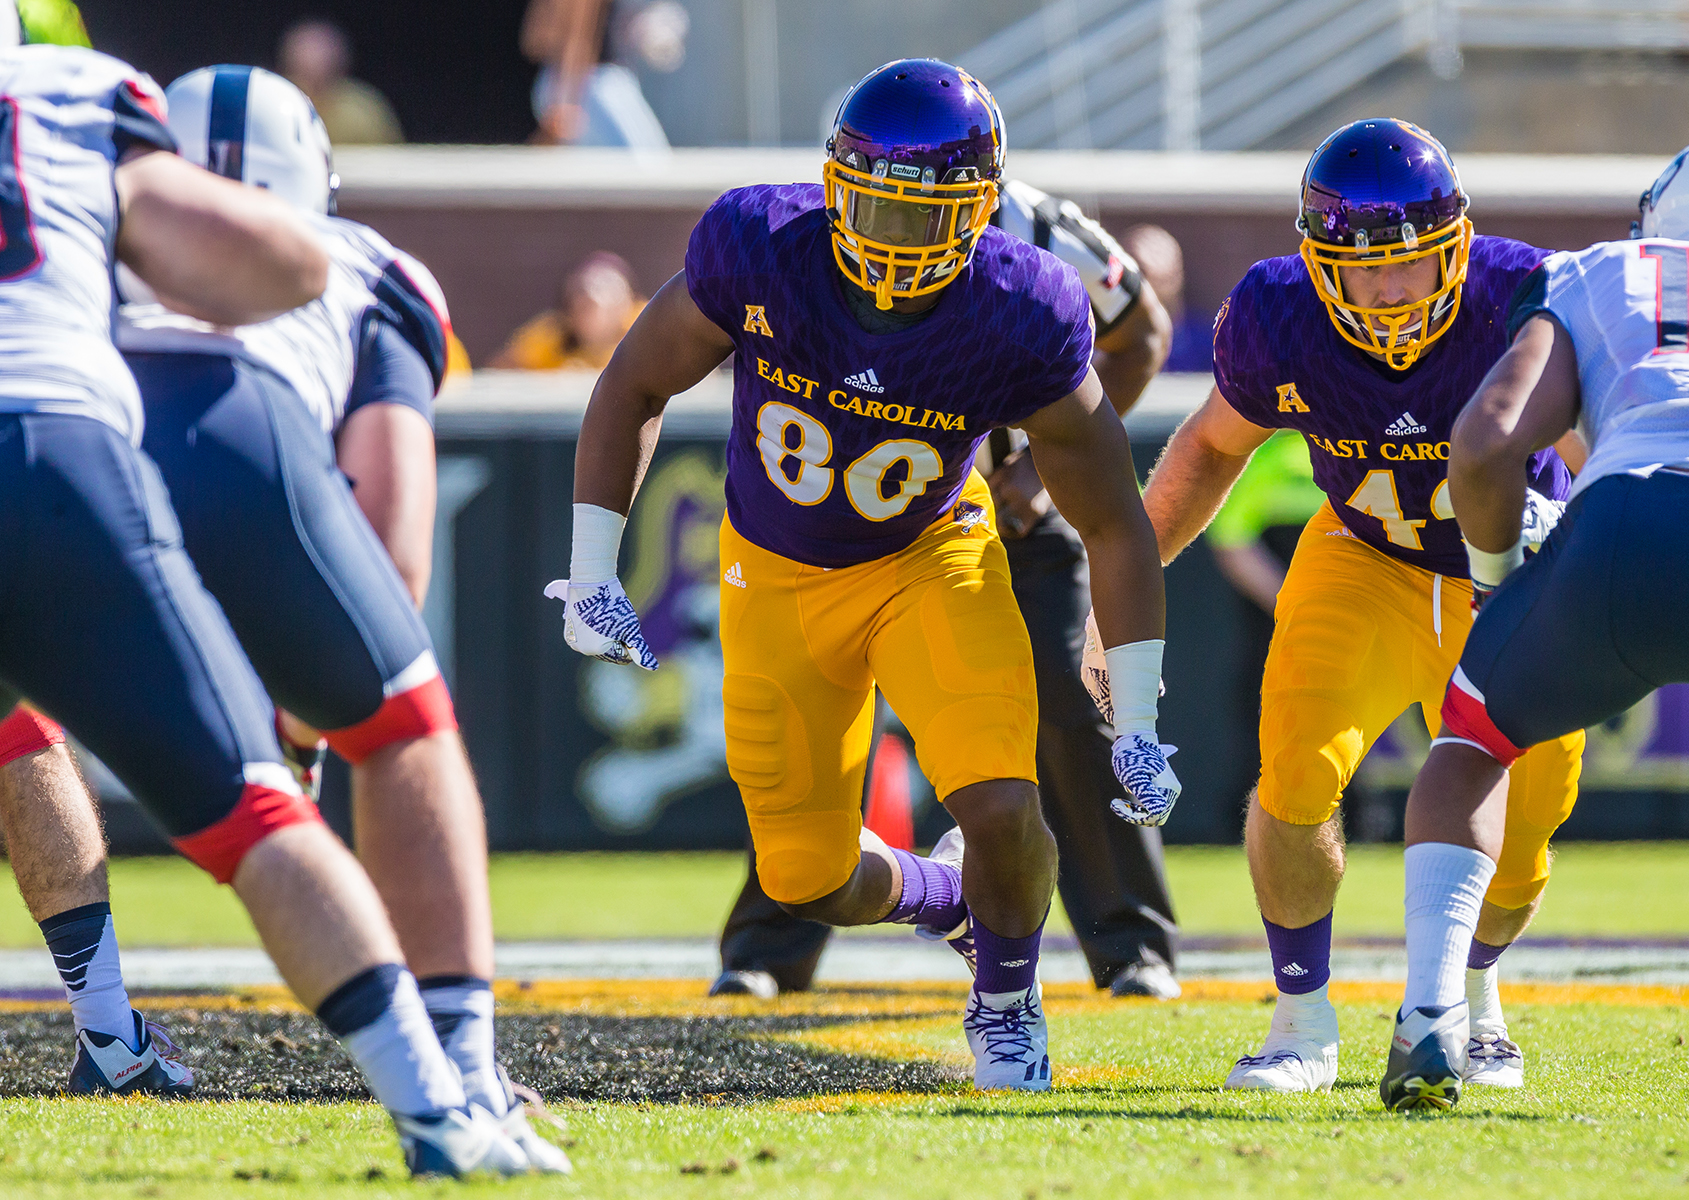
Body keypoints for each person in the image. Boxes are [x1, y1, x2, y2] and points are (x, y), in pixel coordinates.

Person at [549, 58, 1180, 1090]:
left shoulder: (1024, 304)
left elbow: (1113, 523)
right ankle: (946, 901)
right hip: (776, 577)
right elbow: (632, 383)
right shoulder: (762, 245)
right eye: (876, 212)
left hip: (932, 558)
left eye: (925, 219)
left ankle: (1009, 1003)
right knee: (807, 877)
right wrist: (589, 567)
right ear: (835, 186)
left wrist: (1139, 713)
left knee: (1007, 811)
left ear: (982, 214)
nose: (895, 245)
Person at [0, 29, 524, 1177]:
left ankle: (109, 1029)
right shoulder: (79, 102)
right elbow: (393, 548)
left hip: (100, 424)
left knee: (20, 731)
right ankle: (452, 1092)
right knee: (354, 750)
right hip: (83, 449)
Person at [1133, 119, 1586, 1094]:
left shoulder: (1530, 298)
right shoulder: (1279, 314)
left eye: (1412, 267)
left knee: (1523, 852)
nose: (1388, 291)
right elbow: (1215, 446)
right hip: (1364, 556)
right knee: (1292, 780)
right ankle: (1302, 1021)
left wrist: (1590, 544)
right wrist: (1118, 584)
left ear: (1456, 249)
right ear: (1315, 262)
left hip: (1509, 576)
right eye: (1361, 267)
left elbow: (1605, 459)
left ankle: (1474, 991)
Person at [1382, 132, 1689, 1109]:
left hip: (1628, 524)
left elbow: (1485, 444)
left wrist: (1496, 587)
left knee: (1473, 742)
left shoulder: (1605, 269)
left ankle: (1432, 1018)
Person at [710, 175, 1184, 1002]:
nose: (906, 244)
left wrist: (1038, 473)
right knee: (818, 716)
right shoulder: (817, 231)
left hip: (1008, 511)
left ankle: (1130, 943)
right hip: (865, 514)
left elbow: (1143, 331)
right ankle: (771, 946)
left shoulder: (1043, 236)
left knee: (1073, 710)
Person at [522, 0, 670, 149]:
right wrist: (565, 100)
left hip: (573, 83)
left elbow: (533, 41)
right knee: (647, 163)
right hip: (585, 87)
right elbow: (577, 39)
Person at [489, 251, 645, 371]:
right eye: (582, 306)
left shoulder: (643, 324)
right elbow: (501, 373)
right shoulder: (552, 334)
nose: (591, 315)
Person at [279, 19, 402, 146]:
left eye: (324, 76)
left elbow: (388, 159)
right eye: (304, 74)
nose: (314, 87)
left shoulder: (363, 112)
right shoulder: (275, 106)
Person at [1120, 223, 1212, 372]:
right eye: (1131, 271)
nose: (1137, 284)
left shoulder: (1207, 345)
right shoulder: (1099, 343)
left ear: (1177, 275)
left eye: (1143, 273)